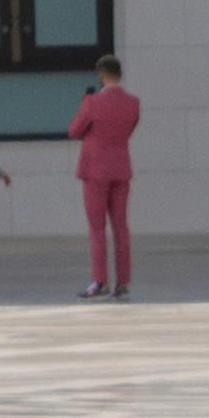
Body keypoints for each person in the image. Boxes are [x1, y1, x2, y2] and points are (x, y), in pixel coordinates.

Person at [71, 56, 140, 297]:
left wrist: (84, 107)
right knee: (121, 226)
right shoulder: (133, 103)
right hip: (121, 168)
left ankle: (100, 281)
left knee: (97, 227)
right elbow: (128, 131)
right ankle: (123, 282)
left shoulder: (92, 102)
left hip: (95, 170)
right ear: (120, 74)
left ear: (101, 75)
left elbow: (74, 130)